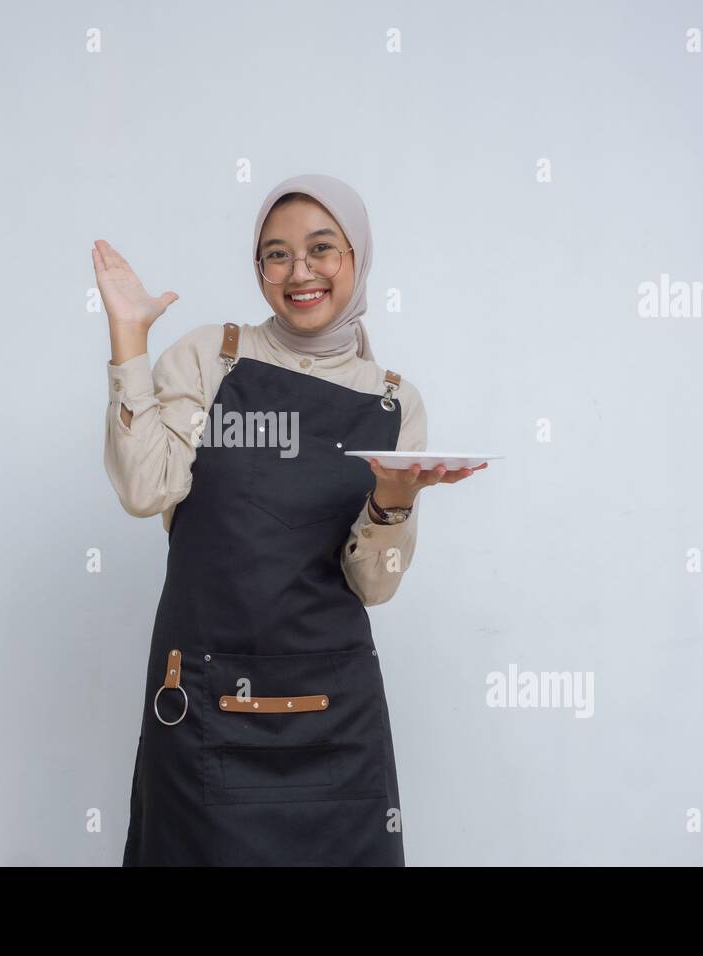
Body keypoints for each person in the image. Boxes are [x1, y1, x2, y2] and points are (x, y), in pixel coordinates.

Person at [97, 173, 485, 866]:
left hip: (335, 715)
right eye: (276, 254)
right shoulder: (211, 358)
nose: (299, 272)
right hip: (204, 705)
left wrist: (393, 501)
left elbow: (375, 584)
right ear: (259, 268)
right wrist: (128, 342)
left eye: (321, 249)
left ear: (357, 257)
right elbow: (144, 487)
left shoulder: (394, 403)